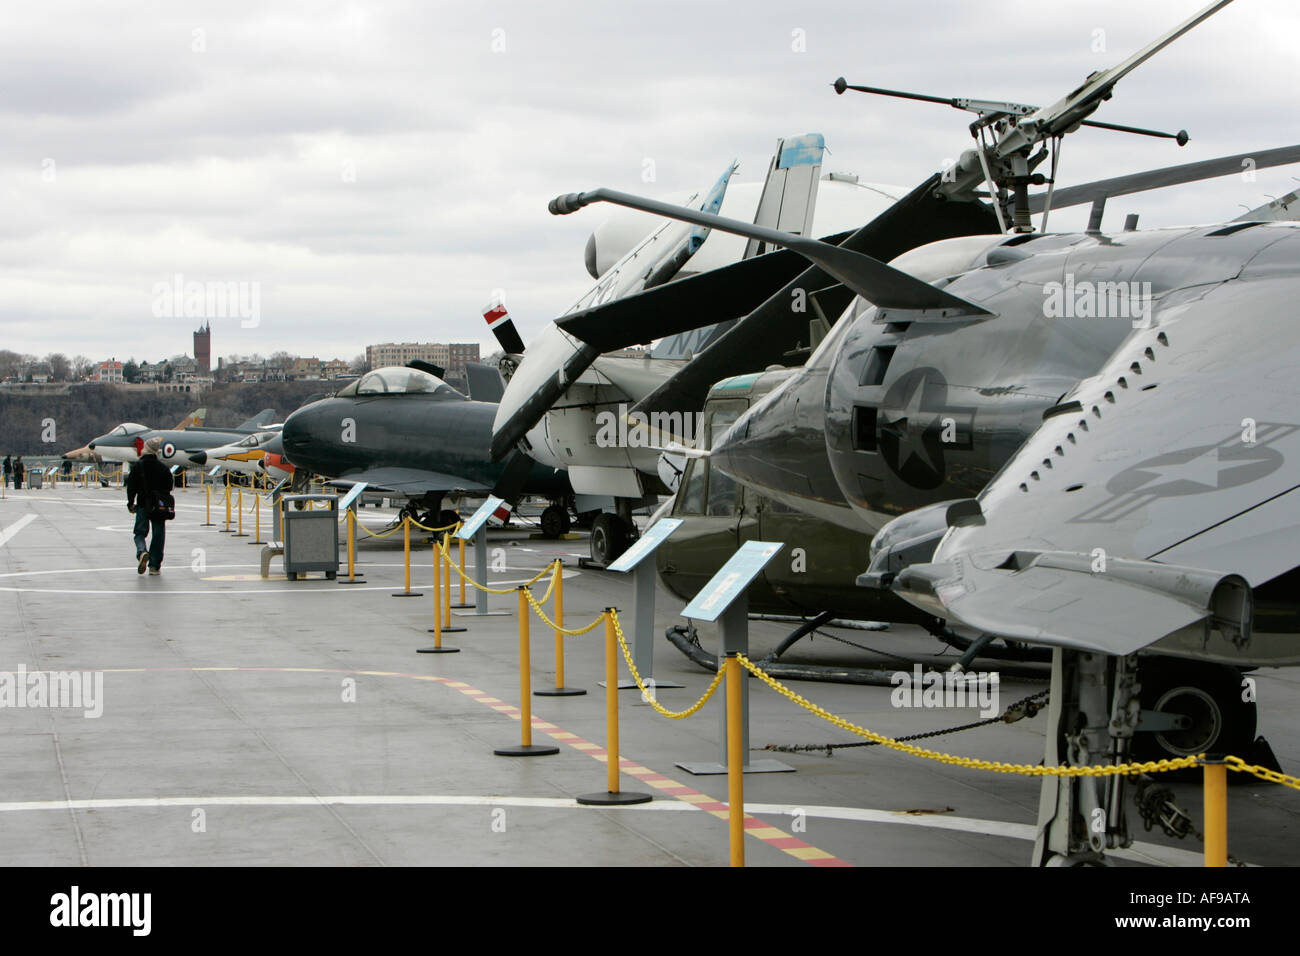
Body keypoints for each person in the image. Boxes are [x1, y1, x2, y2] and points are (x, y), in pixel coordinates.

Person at [126, 437, 174, 575]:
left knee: (140, 533)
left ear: (145, 448)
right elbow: (169, 486)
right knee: (158, 534)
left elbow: (131, 487)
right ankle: (154, 565)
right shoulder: (163, 468)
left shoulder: (137, 466)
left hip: (142, 504)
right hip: (158, 506)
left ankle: (142, 552)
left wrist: (130, 503)